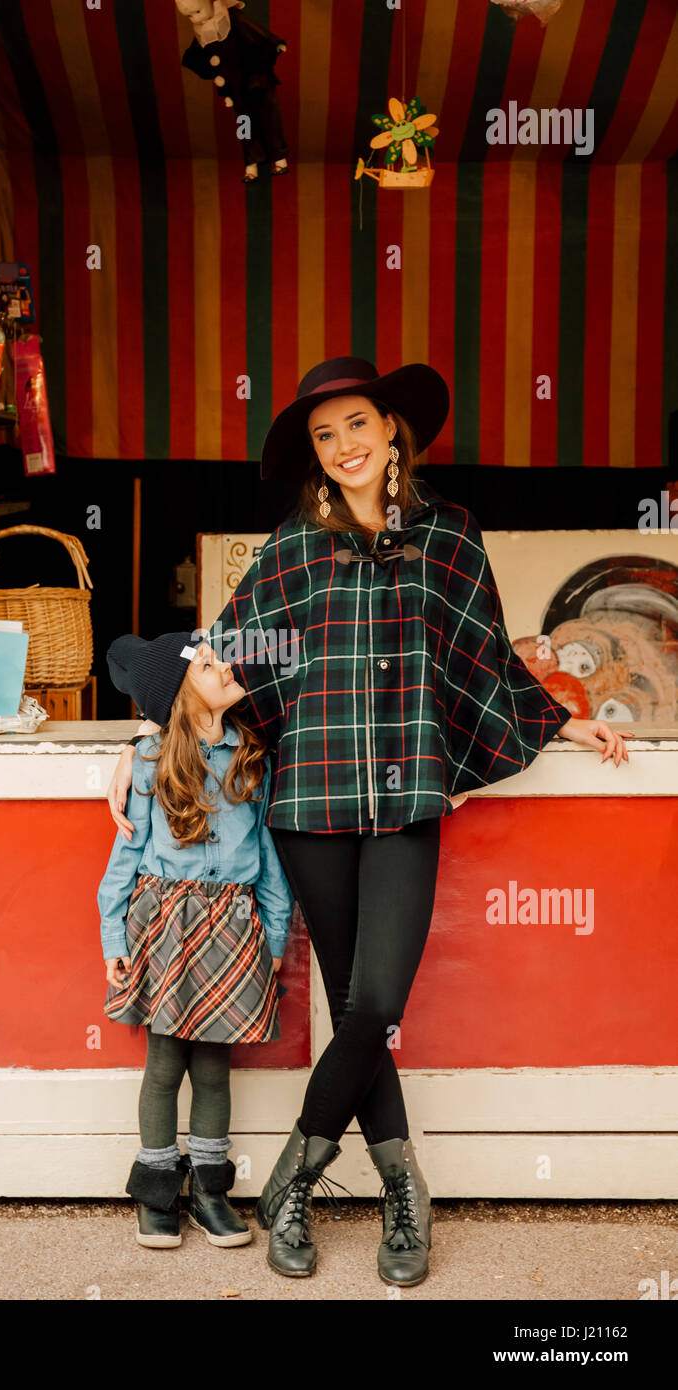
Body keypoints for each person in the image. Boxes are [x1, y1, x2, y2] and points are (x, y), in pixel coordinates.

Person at [107, 356, 633, 1286]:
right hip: (310, 807)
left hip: (404, 803)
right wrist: (147, 734)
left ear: (392, 431)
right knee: (358, 1006)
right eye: (324, 435)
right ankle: (402, 1196)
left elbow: (484, 665)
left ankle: (293, 1177)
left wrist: (565, 711)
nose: (344, 447)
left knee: (376, 1003)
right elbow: (212, 658)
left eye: (358, 425)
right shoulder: (293, 555)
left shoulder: (450, 539)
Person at [98, 630, 293, 1251]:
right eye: (208, 664)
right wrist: (112, 937)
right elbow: (125, 855)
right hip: (163, 925)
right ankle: (157, 1194)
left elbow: (267, 855)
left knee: (213, 1066)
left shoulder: (251, 756)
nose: (225, 665)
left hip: (233, 928)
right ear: (183, 695)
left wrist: (276, 929)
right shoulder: (152, 761)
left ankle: (210, 1191)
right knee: (163, 1067)